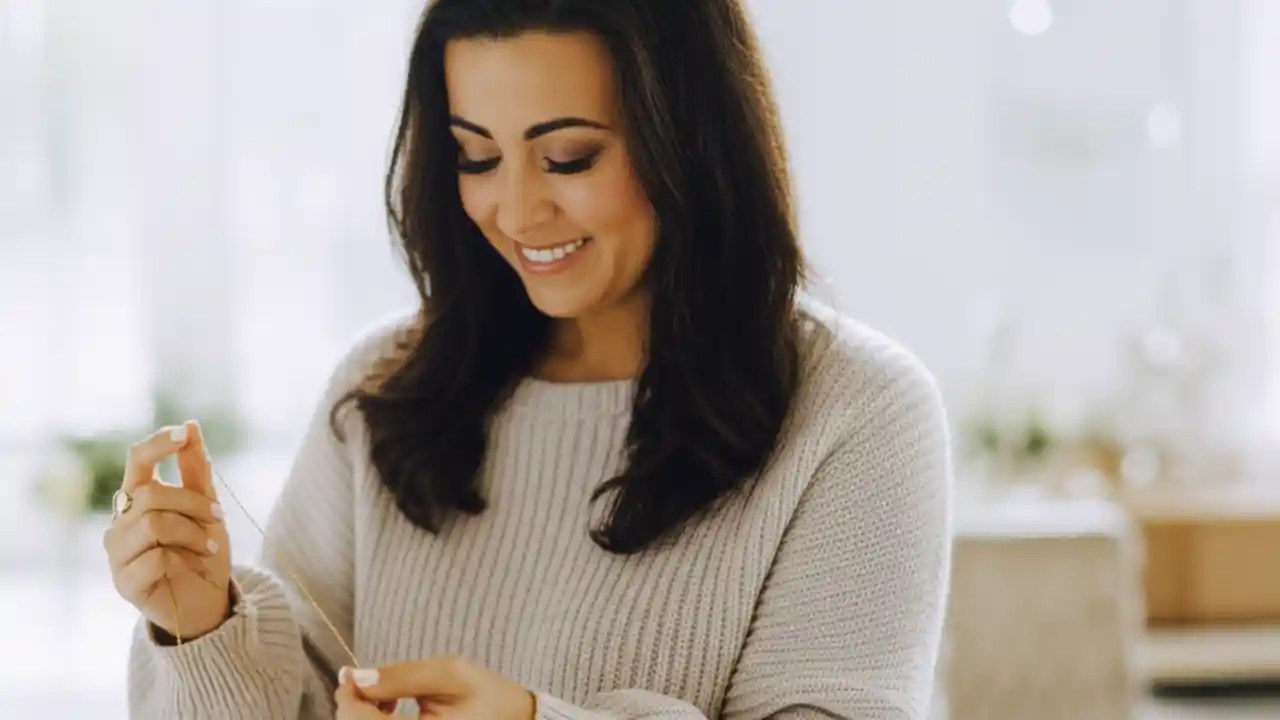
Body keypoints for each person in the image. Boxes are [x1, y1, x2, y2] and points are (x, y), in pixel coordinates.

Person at [102, 0, 952, 717]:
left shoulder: (858, 411)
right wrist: (201, 626)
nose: (515, 210)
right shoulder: (383, 388)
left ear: (690, 140)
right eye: (477, 155)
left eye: (568, 157)